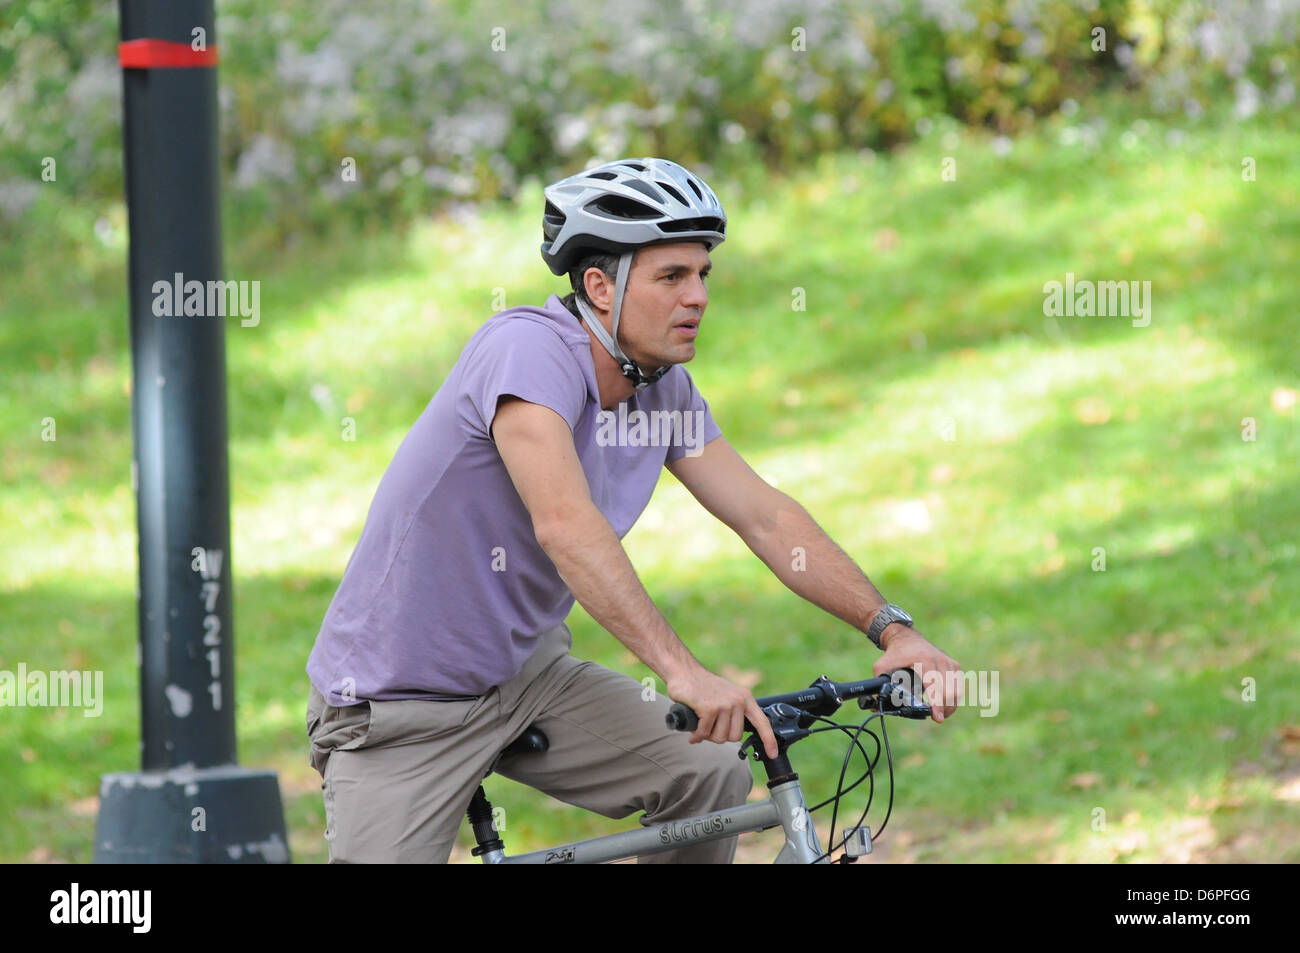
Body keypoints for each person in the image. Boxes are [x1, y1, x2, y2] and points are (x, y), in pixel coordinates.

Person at [304, 156, 962, 864]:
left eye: (703, 273)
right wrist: (681, 669)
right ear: (598, 285)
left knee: (710, 775)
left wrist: (891, 629)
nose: (698, 295)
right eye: (671, 276)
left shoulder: (663, 391)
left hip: (525, 678)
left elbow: (763, 516)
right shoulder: (527, 351)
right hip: (398, 707)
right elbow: (566, 525)